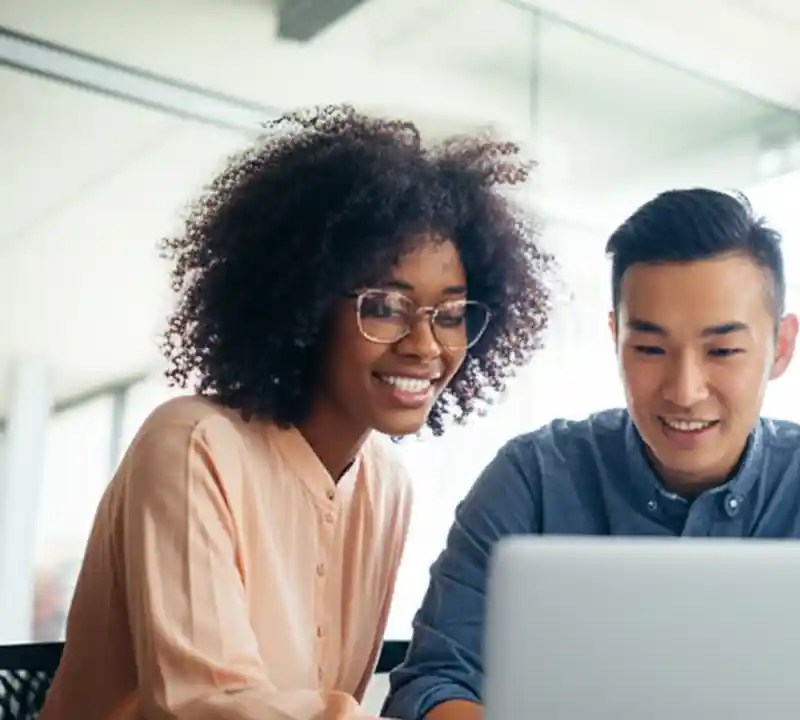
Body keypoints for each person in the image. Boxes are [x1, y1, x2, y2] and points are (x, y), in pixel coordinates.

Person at [40, 104, 554, 719]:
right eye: (386, 306)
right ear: (306, 308)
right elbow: (208, 706)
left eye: (450, 315)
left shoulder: (385, 485)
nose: (425, 345)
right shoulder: (192, 444)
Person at [380, 188, 800, 720]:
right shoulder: (533, 482)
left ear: (781, 346)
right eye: (651, 349)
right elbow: (433, 680)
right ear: (615, 338)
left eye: (723, 351)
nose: (685, 390)